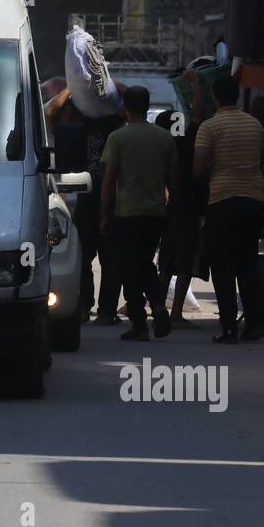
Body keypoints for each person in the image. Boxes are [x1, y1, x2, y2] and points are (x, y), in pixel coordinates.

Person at [193, 73, 264, 344]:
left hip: (223, 200)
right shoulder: (255, 125)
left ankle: (228, 328)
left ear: (215, 97)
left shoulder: (210, 127)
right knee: (248, 261)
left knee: (222, 266)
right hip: (254, 200)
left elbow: (198, 169)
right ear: (236, 96)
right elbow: (261, 158)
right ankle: (255, 323)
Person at [100, 85, 178, 341]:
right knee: (144, 262)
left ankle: (140, 322)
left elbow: (109, 181)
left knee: (129, 268)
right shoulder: (165, 138)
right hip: (156, 213)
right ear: (147, 106)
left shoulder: (118, 138)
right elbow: (172, 181)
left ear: (124, 107)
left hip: (127, 213)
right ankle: (156, 307)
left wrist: (104, 215)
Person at [44, 83, 125, 326]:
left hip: (111, 197)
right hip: (85, 196)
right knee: (84, 255)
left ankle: (106, 311)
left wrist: (105, 80)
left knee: (110, 258)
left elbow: (132, 100)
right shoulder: (73, 129)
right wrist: (73, 86)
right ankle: (84, 306)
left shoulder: (113, 125)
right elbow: (50, 111)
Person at [155, 108, 203, 327]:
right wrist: (194, 85)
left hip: (166, 211)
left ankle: (158, 309)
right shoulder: (187, 143)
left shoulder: (159, 147)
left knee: (165, 263)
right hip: (188, 211)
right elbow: (199, 115)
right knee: (184, 265)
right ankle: (175, 314)